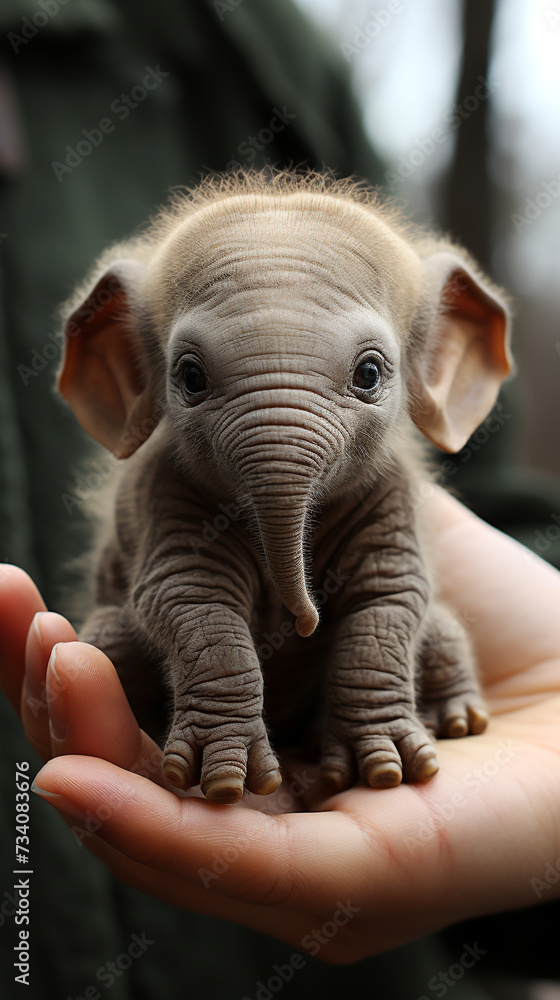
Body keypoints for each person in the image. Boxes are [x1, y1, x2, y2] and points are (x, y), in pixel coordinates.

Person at [2, 486, 560, 968]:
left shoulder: (390, 472)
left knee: (426, 628)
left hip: (330, 682)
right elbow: (178, 587)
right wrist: (220, 710)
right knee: (104, 653)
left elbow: (403, 581)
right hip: (169, 672)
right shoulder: (165, 470)